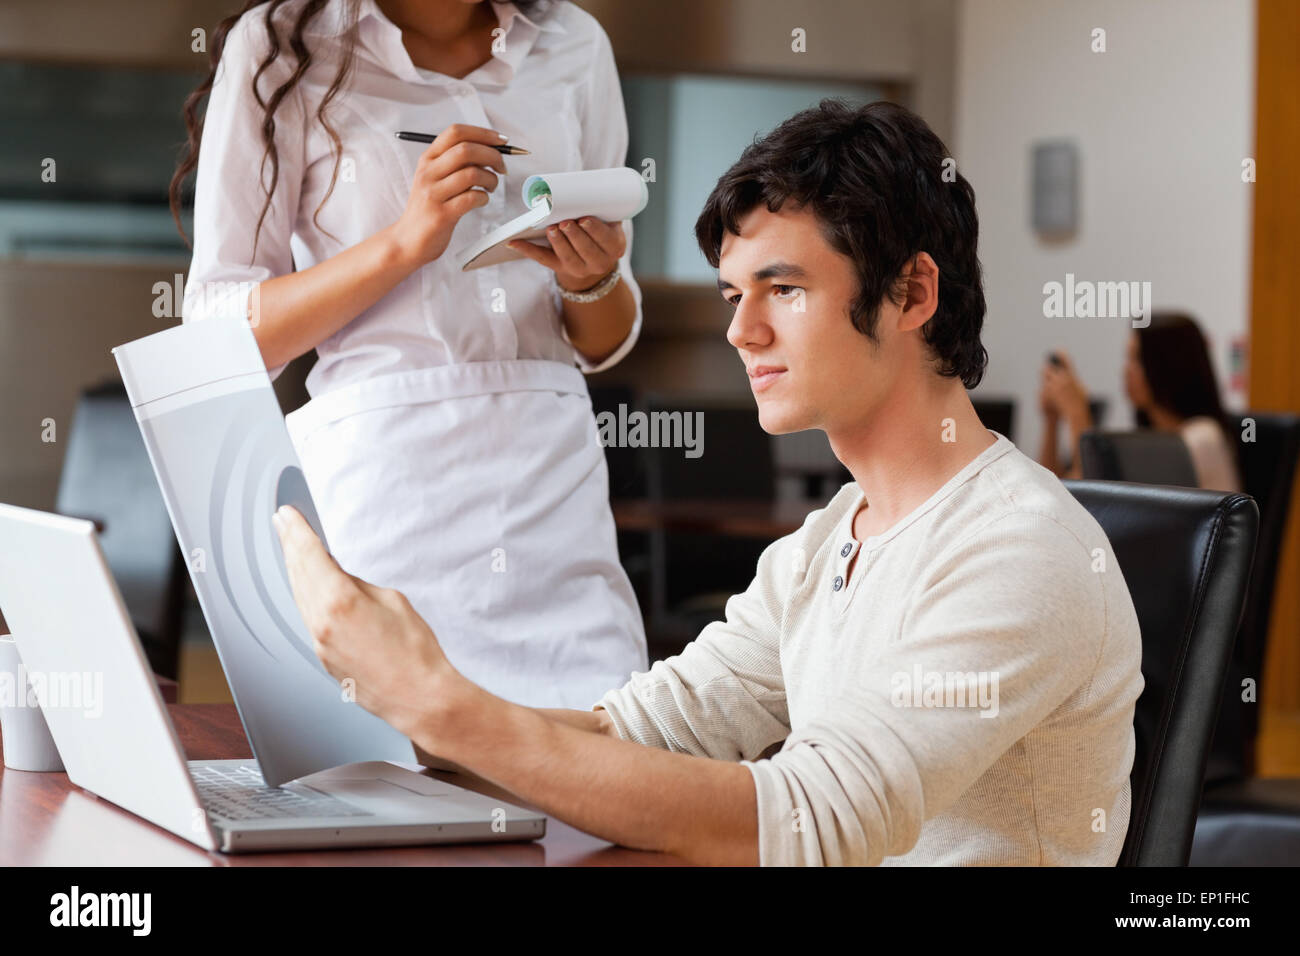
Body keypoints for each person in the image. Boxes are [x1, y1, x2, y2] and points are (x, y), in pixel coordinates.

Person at [272, 100, 1145, 866]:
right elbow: (639, 732)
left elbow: (812, 820)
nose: (743, 331)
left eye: (784, 288)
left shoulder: (1019, 548)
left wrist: (444, 704)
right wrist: (412, 719)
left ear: (913, 292)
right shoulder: (829, 540)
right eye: (733, 295)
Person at [169, 0, 648, 709]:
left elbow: (605, 341)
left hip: (554, 499)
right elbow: (215, 340)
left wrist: (591, 278)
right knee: (392, 786)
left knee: (603, 773)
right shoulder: (278, 45)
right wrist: (402, 244)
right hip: (384, 504)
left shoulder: (575, 42)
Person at [1039, 313, 1243, 491]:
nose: (1126, 371)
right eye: (1127, 358)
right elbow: (1054, 493)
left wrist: (1077, 415)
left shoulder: (1202, 437)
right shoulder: (1154, 435)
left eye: (1137, 359)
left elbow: (1094, 505)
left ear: (1169, 364)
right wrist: (1052, 421)